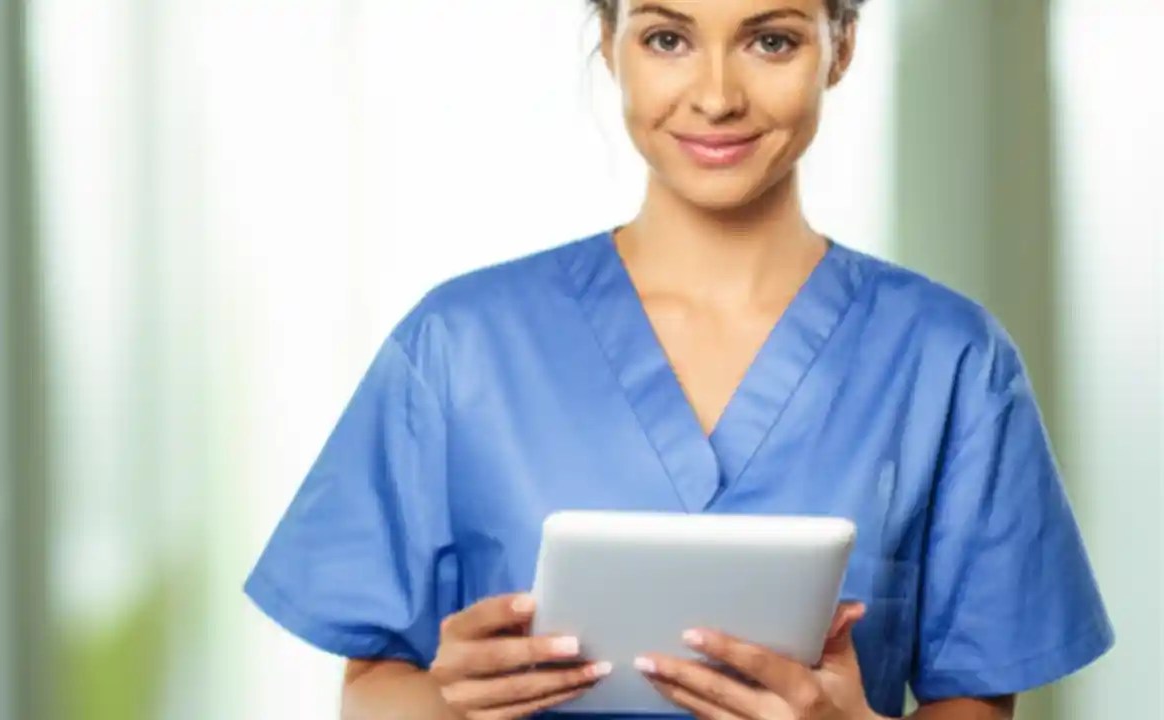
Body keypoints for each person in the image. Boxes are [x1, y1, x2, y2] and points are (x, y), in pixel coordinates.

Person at [243, 0, 1114, 717]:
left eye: (771, 41)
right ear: (611, 44)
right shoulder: (458, 345)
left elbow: (980, 703)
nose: (716, 96)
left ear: (839, 46)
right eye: (668, 38)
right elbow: (369, 691)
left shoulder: (948, 360)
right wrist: (450, 700)